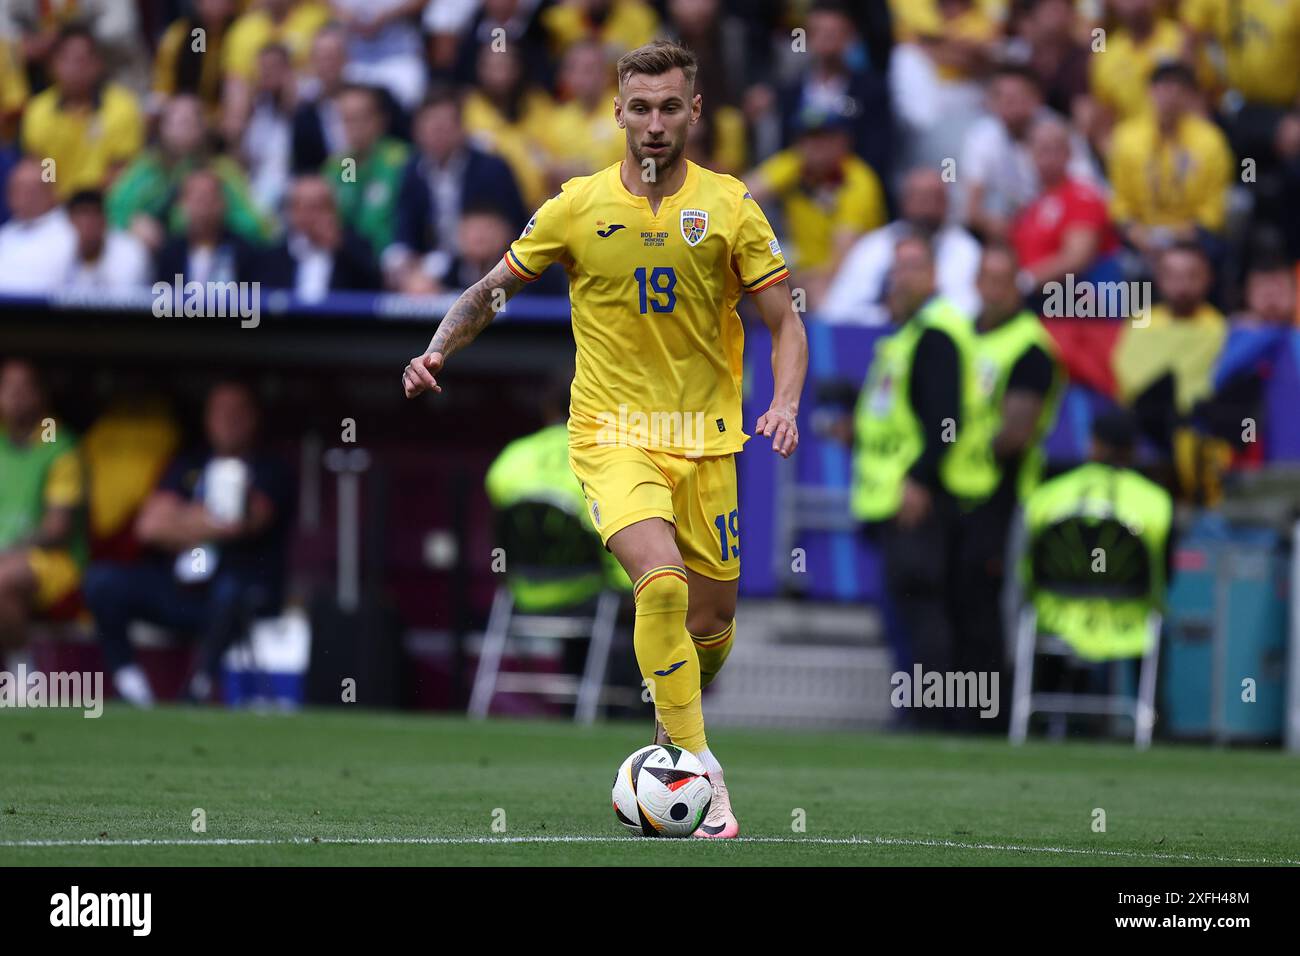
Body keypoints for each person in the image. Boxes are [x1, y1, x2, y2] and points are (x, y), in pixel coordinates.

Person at [402, 40, 807, 838]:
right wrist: (438, 348)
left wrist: (786, 402)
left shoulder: (730, 206)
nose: (654, 123)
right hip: (611, 432)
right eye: (639, 108)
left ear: (694, 111)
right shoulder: (575, 206)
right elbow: (491, 291)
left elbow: (784, 320)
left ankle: (670, 725)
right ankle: (704, 777)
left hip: (709, 438)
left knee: (712, 628)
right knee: (660, 584)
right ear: (616, 112)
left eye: (669, 107)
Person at [849, 233, 991, 728]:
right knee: (909, 609)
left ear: (933, 275)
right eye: (896, 268)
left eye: (911, 267)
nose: (899, 277)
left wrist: (920, 480)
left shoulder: (936, 333)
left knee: (920, 609)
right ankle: (920, 710)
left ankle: (927, 715)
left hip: (917, 500)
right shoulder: (911, 334)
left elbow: (943, 420)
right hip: (896, 497)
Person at [83, 380, 293, 706]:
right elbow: (149, 527)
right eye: (220, 411)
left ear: (253, 418)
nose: (228, 420)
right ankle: (130, 687)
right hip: (180, 591)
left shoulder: (270, 468)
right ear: (207, 418)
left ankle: (199, 688)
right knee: (102, 580)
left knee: (232, 590)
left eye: (237, 412)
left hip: (235, 597)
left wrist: (181, 519)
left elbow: (244, 524)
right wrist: (212, 520)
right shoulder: (188, 463)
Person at [957, 244, 1063, 730]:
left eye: (1003, 280)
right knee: (961, 600)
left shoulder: (1031, 346)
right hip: (960, 491)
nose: (993, 289)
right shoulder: (964, 335)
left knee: (994, 605)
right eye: (986, 278)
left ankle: (996, 714)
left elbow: (1016, 434)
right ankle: (960, 712)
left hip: (1006, 493)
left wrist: (969, 451)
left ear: (1017, 285)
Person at [0, 360, 87, 678]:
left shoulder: (57, 445)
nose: (15, 397)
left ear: (40, 396)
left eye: (24, 389)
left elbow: (57, 528)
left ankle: (22, 672)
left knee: (2, 579)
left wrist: (9, 550)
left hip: (53, 562)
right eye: (8, 388)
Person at [821, 167, 981, 324]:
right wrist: (889, 315)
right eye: (920, 198)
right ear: (904, 201)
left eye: (935, 198)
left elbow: (970, 309)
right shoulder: (874, 245)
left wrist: (916, 317)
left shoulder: (965, 249)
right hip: (875, 339)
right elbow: (836, 310)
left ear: (947, 203)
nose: (928, 207)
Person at [18, 25, 143, 199]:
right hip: (57, 207)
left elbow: (121, 168)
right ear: (53, 65)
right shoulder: (38, 111)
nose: (75, 68)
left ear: (97, 64)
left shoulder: (122, 107)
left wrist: (87, 206)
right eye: (67, 60)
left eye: (82, 60)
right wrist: (58, 200)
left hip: (108, 205)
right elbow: (45, 165)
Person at [259, 174, 381, 296]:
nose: (308, 216)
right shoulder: (271, 258)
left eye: (316, 207)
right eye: (300, 207)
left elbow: (374, 288)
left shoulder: (355, 249)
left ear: (332, 211)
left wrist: (339, 247)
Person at [0, 158, 76, 293]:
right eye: (16, 190)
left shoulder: (71, 233)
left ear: (51, 192)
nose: (21, 198)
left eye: (30, 190)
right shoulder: (5, 234)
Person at [64, 188, 151, 292]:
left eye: (95, 214)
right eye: (83, 214)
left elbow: (124, 303)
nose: (89, 223)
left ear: (105, 218)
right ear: (70, 220)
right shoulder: (55, 249)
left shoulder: (131, 252)